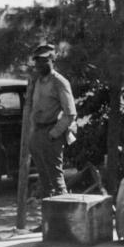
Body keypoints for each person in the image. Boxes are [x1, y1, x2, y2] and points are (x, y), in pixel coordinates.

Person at [27, 44, 76, 200]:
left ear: (51, 60)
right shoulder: (37, 81)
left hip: (51, 134)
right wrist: (33, 132)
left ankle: (64, 219)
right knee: (44, 182)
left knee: (56, 180)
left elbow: (70, 113)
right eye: (37, 61)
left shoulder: (60, 82)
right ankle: (49, 221)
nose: (39, 65)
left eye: (43, 61)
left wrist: (54, 134)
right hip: (38, 133)